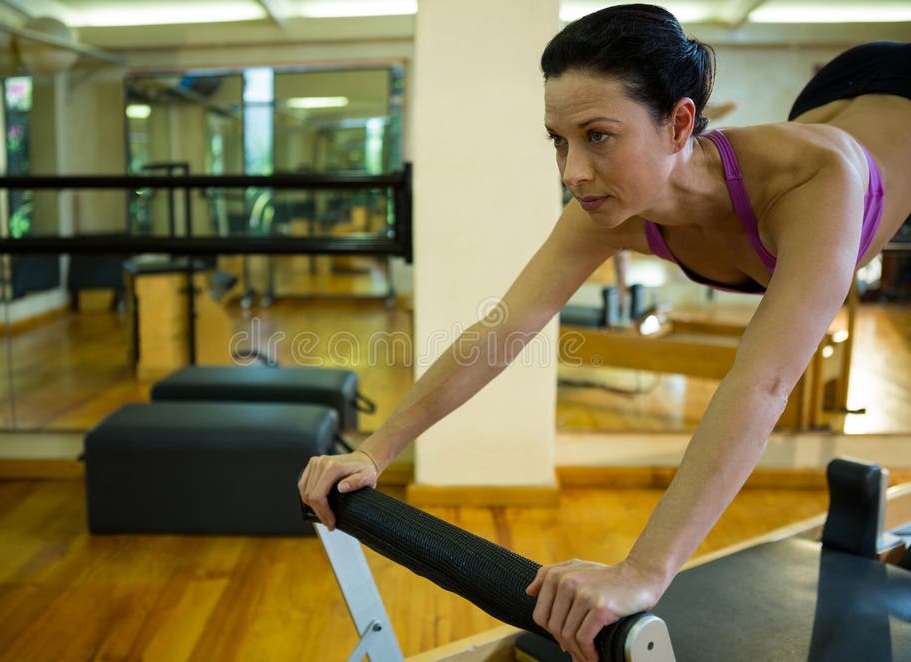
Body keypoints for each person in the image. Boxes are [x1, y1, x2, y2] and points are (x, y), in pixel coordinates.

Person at [300, 5, 911, 660]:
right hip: (836, 92)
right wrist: (376, 451)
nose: (572, 172)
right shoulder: (603, 210)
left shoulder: (816, 181)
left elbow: (762, 383)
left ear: (680, 123)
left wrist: (645, 570)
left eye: (598, 136)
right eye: (558, 141)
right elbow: (503, 330)